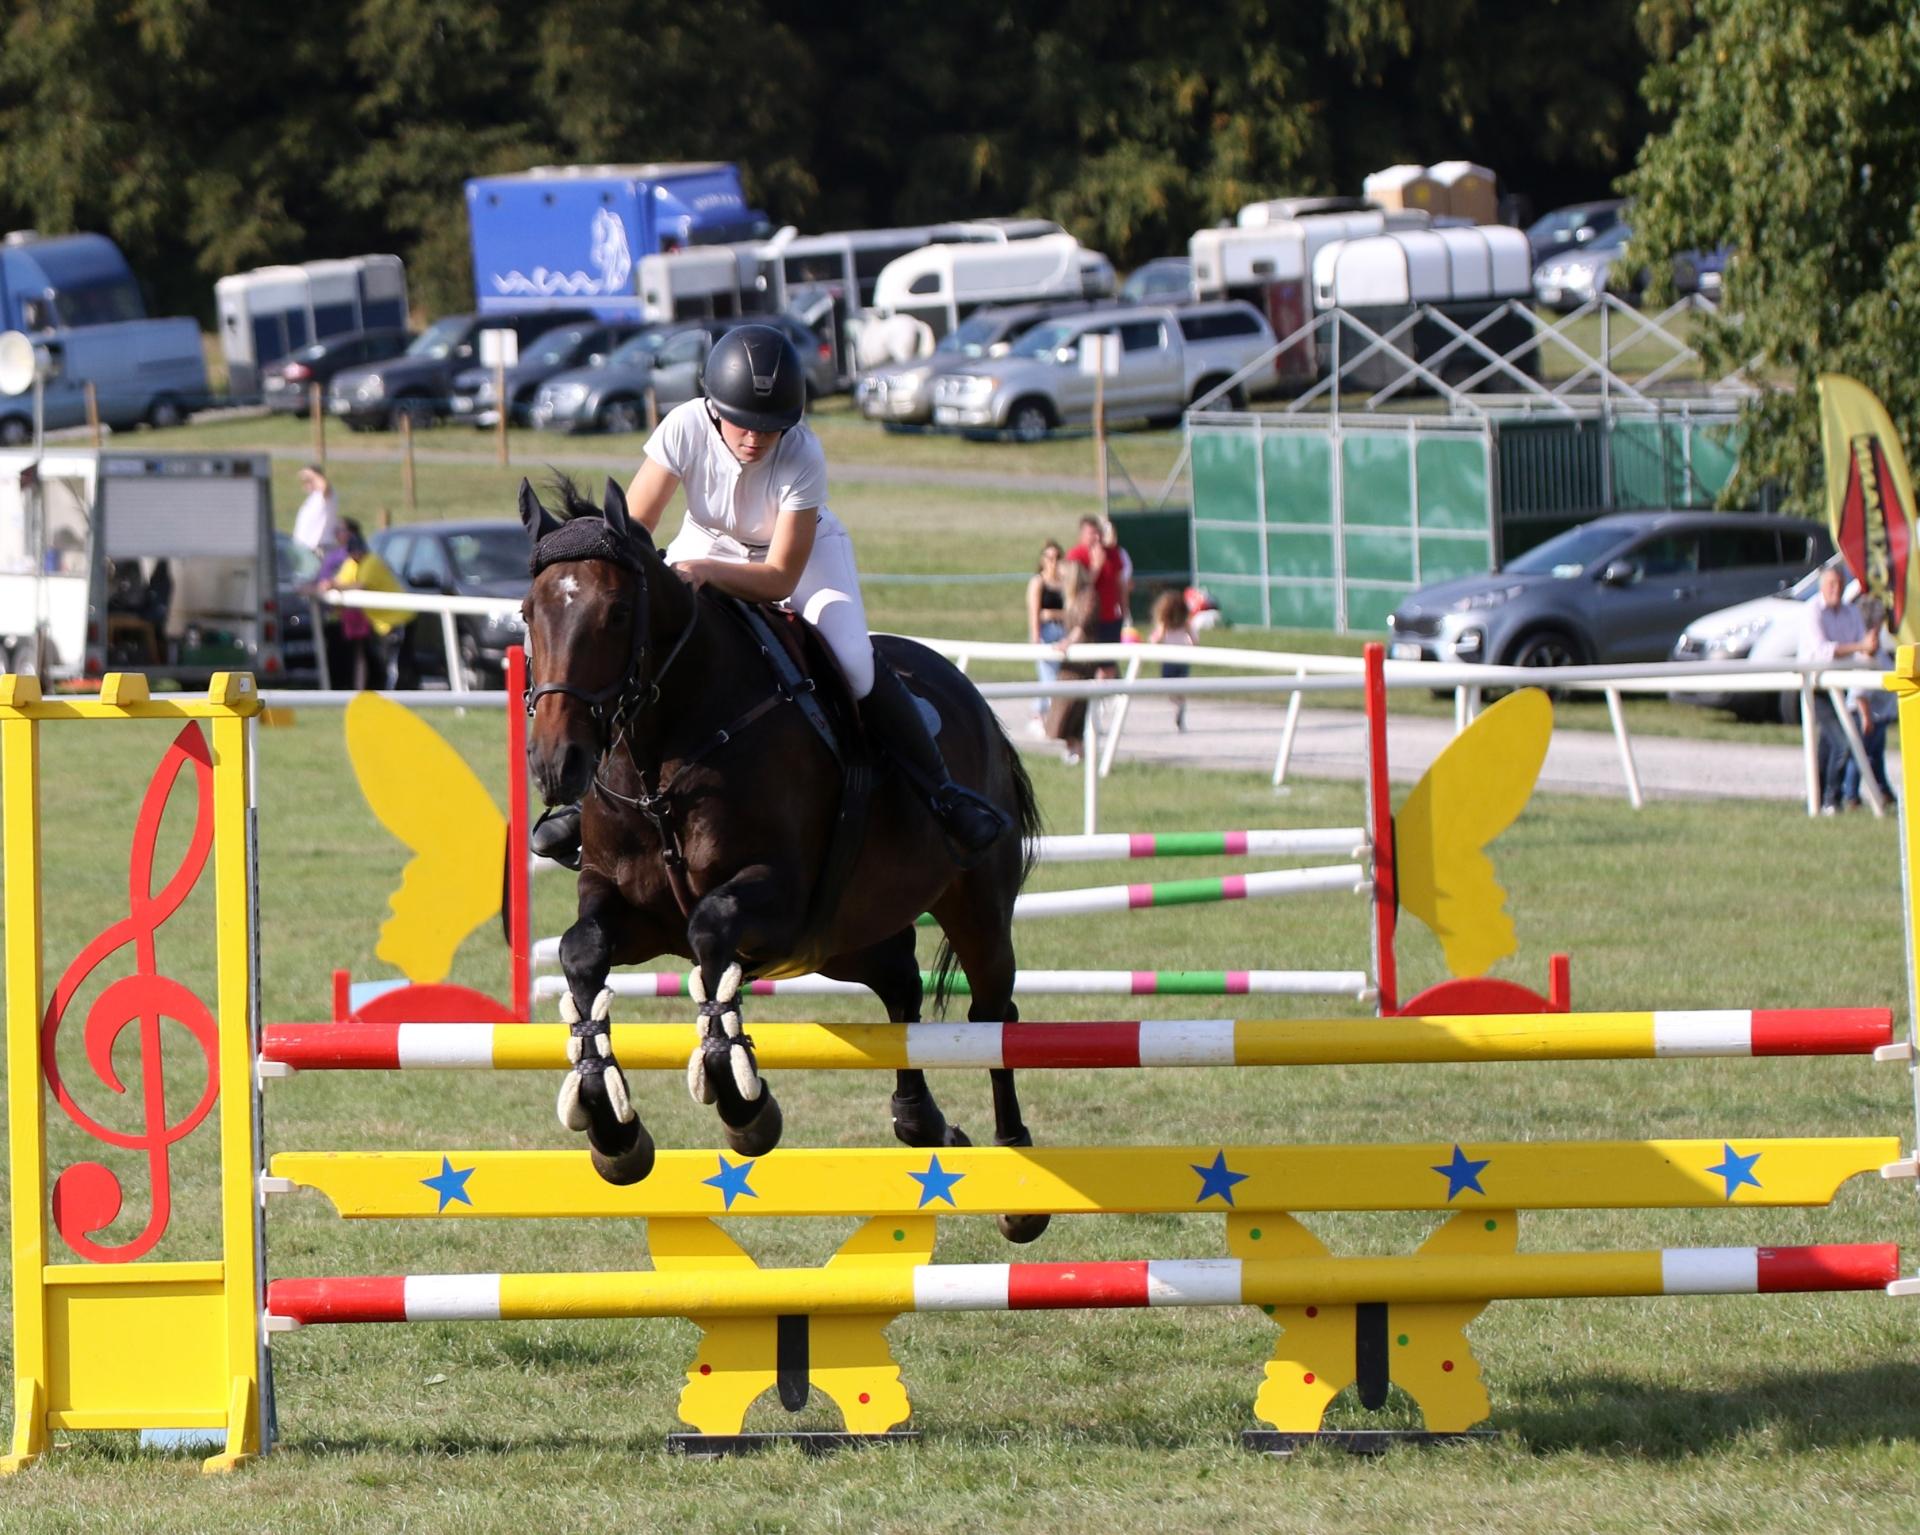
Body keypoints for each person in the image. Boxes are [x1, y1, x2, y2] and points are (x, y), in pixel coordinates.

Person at [531, 324, 1010, 866]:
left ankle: (941, 792)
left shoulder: (803, 452)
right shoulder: (684, 426)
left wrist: (707, 572)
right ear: (713, 408)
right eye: (743, 424)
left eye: (771, 428)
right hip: (704, 543)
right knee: (645, 651)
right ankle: (592, 800)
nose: (756, 439)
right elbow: (631, 530)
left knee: (854, 664)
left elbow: (781, 576)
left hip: (800, 557)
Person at [1796, 564, 1877, 814]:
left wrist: (1867, 646)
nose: (1836, 589)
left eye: (1840, 584)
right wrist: (1859, 646)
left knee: (1828, 746)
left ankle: (1817, 798)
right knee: (1842, 742)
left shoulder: (1850, 612)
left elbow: (1864, 651)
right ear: (1822, 586)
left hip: (1840, 686)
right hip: (1816, 686)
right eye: (1831, 584)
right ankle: (1832, 799)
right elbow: (1824, 652)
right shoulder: (1812, 611)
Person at [314, 519, 414, 689]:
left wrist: (334, 585)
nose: (354, 557)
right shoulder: (352, 563)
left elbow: (359, 585)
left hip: (399, 619)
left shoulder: (372, 562)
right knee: (381, 664)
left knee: (394, 665)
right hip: (381, 624)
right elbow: (340, 581)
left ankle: (394, 698)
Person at [1841, 596, 1898, 810]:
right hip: (1865, 716)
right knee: (1859, 756)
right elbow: (1860, 693)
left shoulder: (1879, 652)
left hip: (1879, 715)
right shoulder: (1864, 657)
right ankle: (1851, 795)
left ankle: (1883, 791)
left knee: (1875, 757)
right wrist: (1865, 717)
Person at [1045, 560, 1097, 764]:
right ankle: (1071, 746)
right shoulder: (1072, 598)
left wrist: (1068, 642)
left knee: (1074, 705)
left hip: (1083, 660)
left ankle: (1078, 747)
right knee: (1062, 702)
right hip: (1070, 661)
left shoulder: (1088, 596)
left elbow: (1083, 625)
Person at [1066, 515, 1127, 678]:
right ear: (1082, 535)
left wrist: (1125, 611)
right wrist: (1096, 567)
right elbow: (1079, 590)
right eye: (1092, 533)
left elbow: (1120, 584)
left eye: (1098, 533)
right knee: (1087, 665)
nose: (1097, 538)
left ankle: (1105, 699)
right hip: (1087, 621)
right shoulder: (1075, 556)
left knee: (1109, 664)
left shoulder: (1112, 554)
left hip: (1110, 618)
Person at [1025, 540, 1067, 736]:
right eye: (1049, 558)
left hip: (1063, 632)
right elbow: (1035, 612)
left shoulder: (1065, 582)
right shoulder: (1038, 582)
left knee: (1059, 677)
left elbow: (1071, 612)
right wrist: (1035, 638)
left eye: (1057, 558)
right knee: (1048, 677)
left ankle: (1045, 715)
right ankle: (1040, 715)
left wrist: (1052, 614)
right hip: (1046, 633)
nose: (1053, 562)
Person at [1148, 588, 1195, 731]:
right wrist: (1162, 630)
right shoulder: (1165, 626)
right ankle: (1178, 705)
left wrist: (1189, 633)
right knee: (1171, 688)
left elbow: (1194, 642)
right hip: (1171, 660)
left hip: (1179, 660)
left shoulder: (1185, 626)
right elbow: (1154, 641)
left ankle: (1179, 707)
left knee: (1176, 688)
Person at [292, 465, 341, 555]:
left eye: (308, 480)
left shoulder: (326, 496)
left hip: (319, 548)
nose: (305, 484)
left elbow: (325, 486)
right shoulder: (314, 497)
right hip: (305, 548)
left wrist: (312, 474)